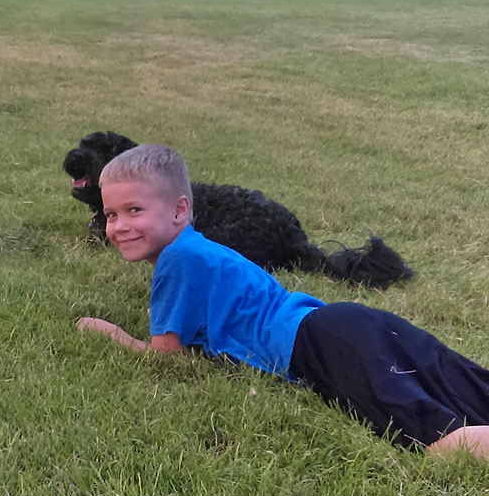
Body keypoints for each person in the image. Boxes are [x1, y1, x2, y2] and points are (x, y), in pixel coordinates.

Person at [77, 144, 489, 459]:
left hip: (318, 344)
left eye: (134, 210)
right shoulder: (201, 250)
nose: (119, 226)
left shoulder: (177, 260)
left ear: (179, 210)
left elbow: (165, 355)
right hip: (346, 322)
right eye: (111, 215)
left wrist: (111, 333)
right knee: (468, 388)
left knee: (438, 441)